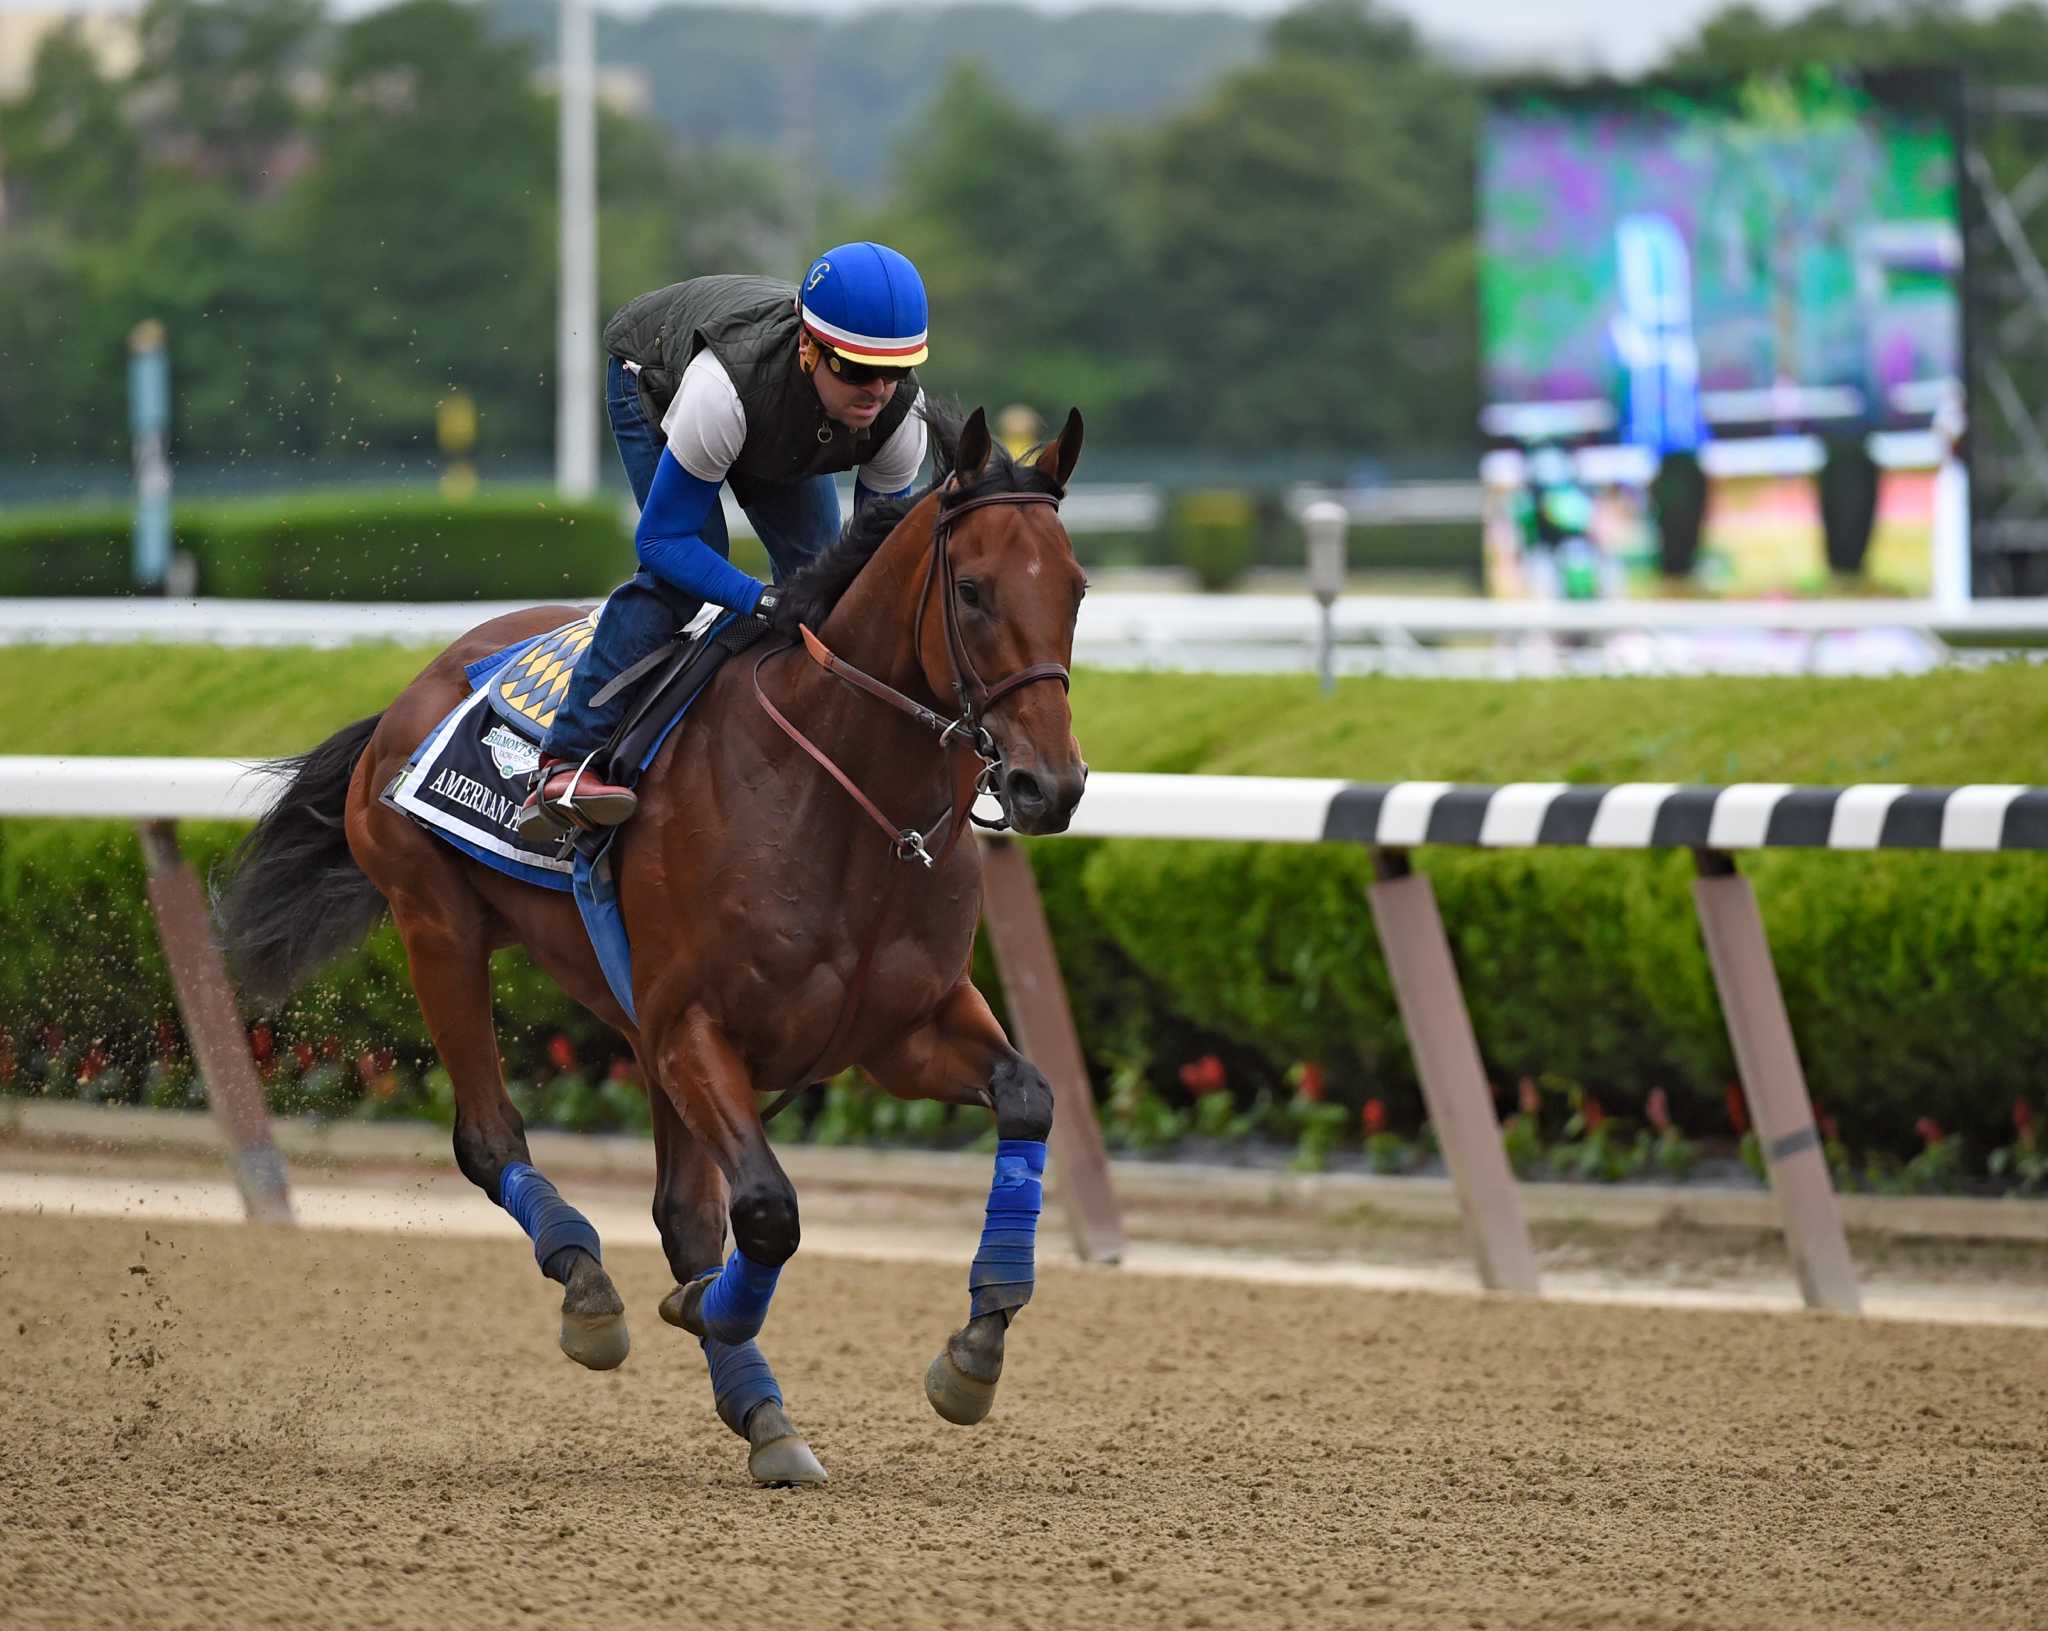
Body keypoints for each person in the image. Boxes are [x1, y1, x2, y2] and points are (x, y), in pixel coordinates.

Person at [516, 241, 931, 839]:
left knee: (828, 587)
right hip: (655, 374)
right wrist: (758, 601)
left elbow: (877, 575)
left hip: (776, 412)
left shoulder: (902, 419)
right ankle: (564, 759)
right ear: (810, 347)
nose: (878, 391)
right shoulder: (720, 391)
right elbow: (662, 540)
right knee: (685, 576)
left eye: (895, 372)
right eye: (858, 370)